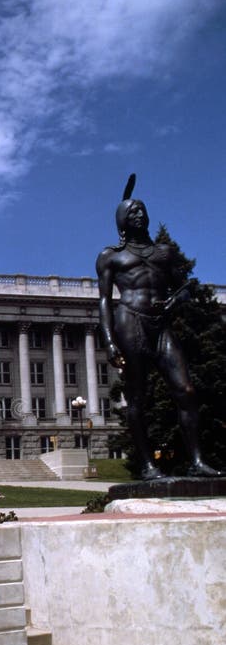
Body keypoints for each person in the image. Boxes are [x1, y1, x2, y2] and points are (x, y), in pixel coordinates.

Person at [96, 174, 221, 481]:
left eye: (142, 210)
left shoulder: (164, 253)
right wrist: (109, 342)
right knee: (138, 397)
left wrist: (175, 302)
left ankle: (196, 460)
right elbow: (103, 301)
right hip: (130, 320)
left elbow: (185, 287)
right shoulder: (111, 256)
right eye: (132, 211)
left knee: (186, 391)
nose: (139, 214)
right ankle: (147, 464)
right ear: (122, 221)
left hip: (161, 324)